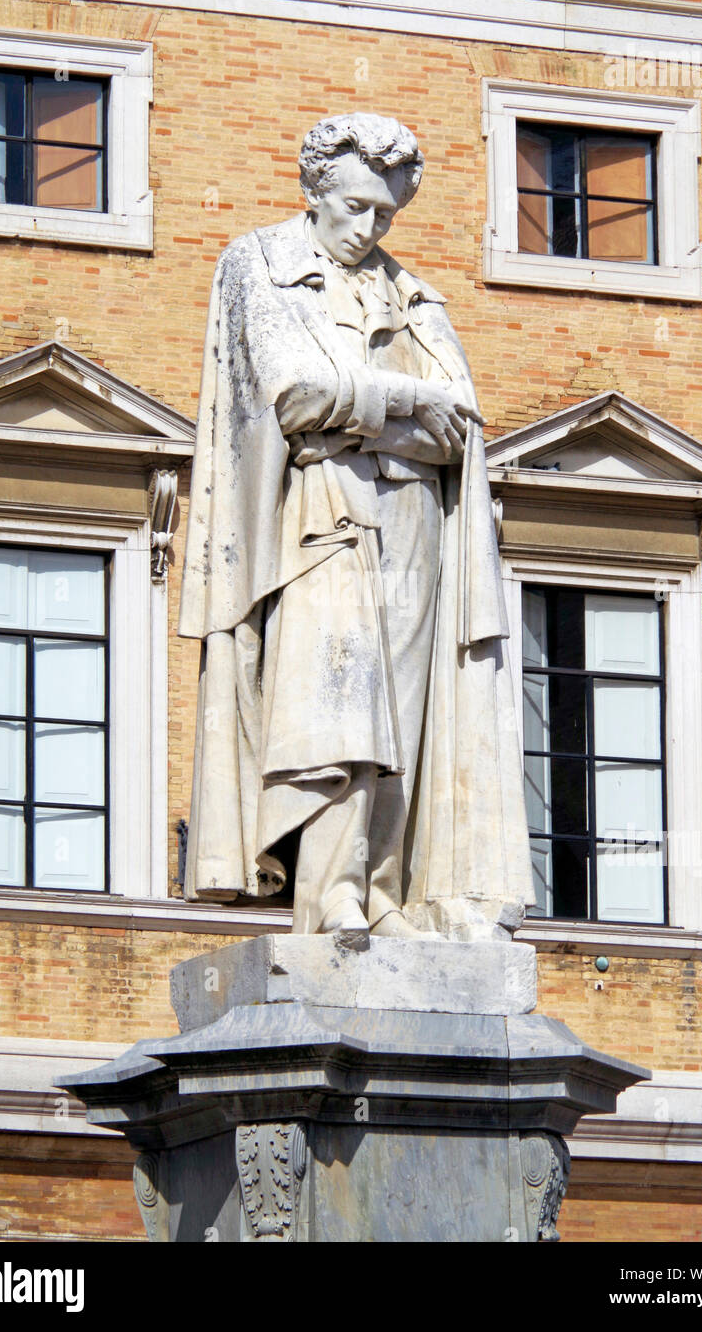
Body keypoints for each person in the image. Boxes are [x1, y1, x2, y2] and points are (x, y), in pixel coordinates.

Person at [178, 113, 532, 939]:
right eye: (355, 207)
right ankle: (328, 891)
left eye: (385, 213)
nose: (368, 228)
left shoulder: (413, 295)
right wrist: (404, 400)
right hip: (318, 520)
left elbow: (460, 427)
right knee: (335, 701)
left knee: (402, 715)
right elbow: (292, 393)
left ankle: (381, 892)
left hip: (414, 521)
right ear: (314, 191)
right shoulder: (259, 265)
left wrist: (362, 417)